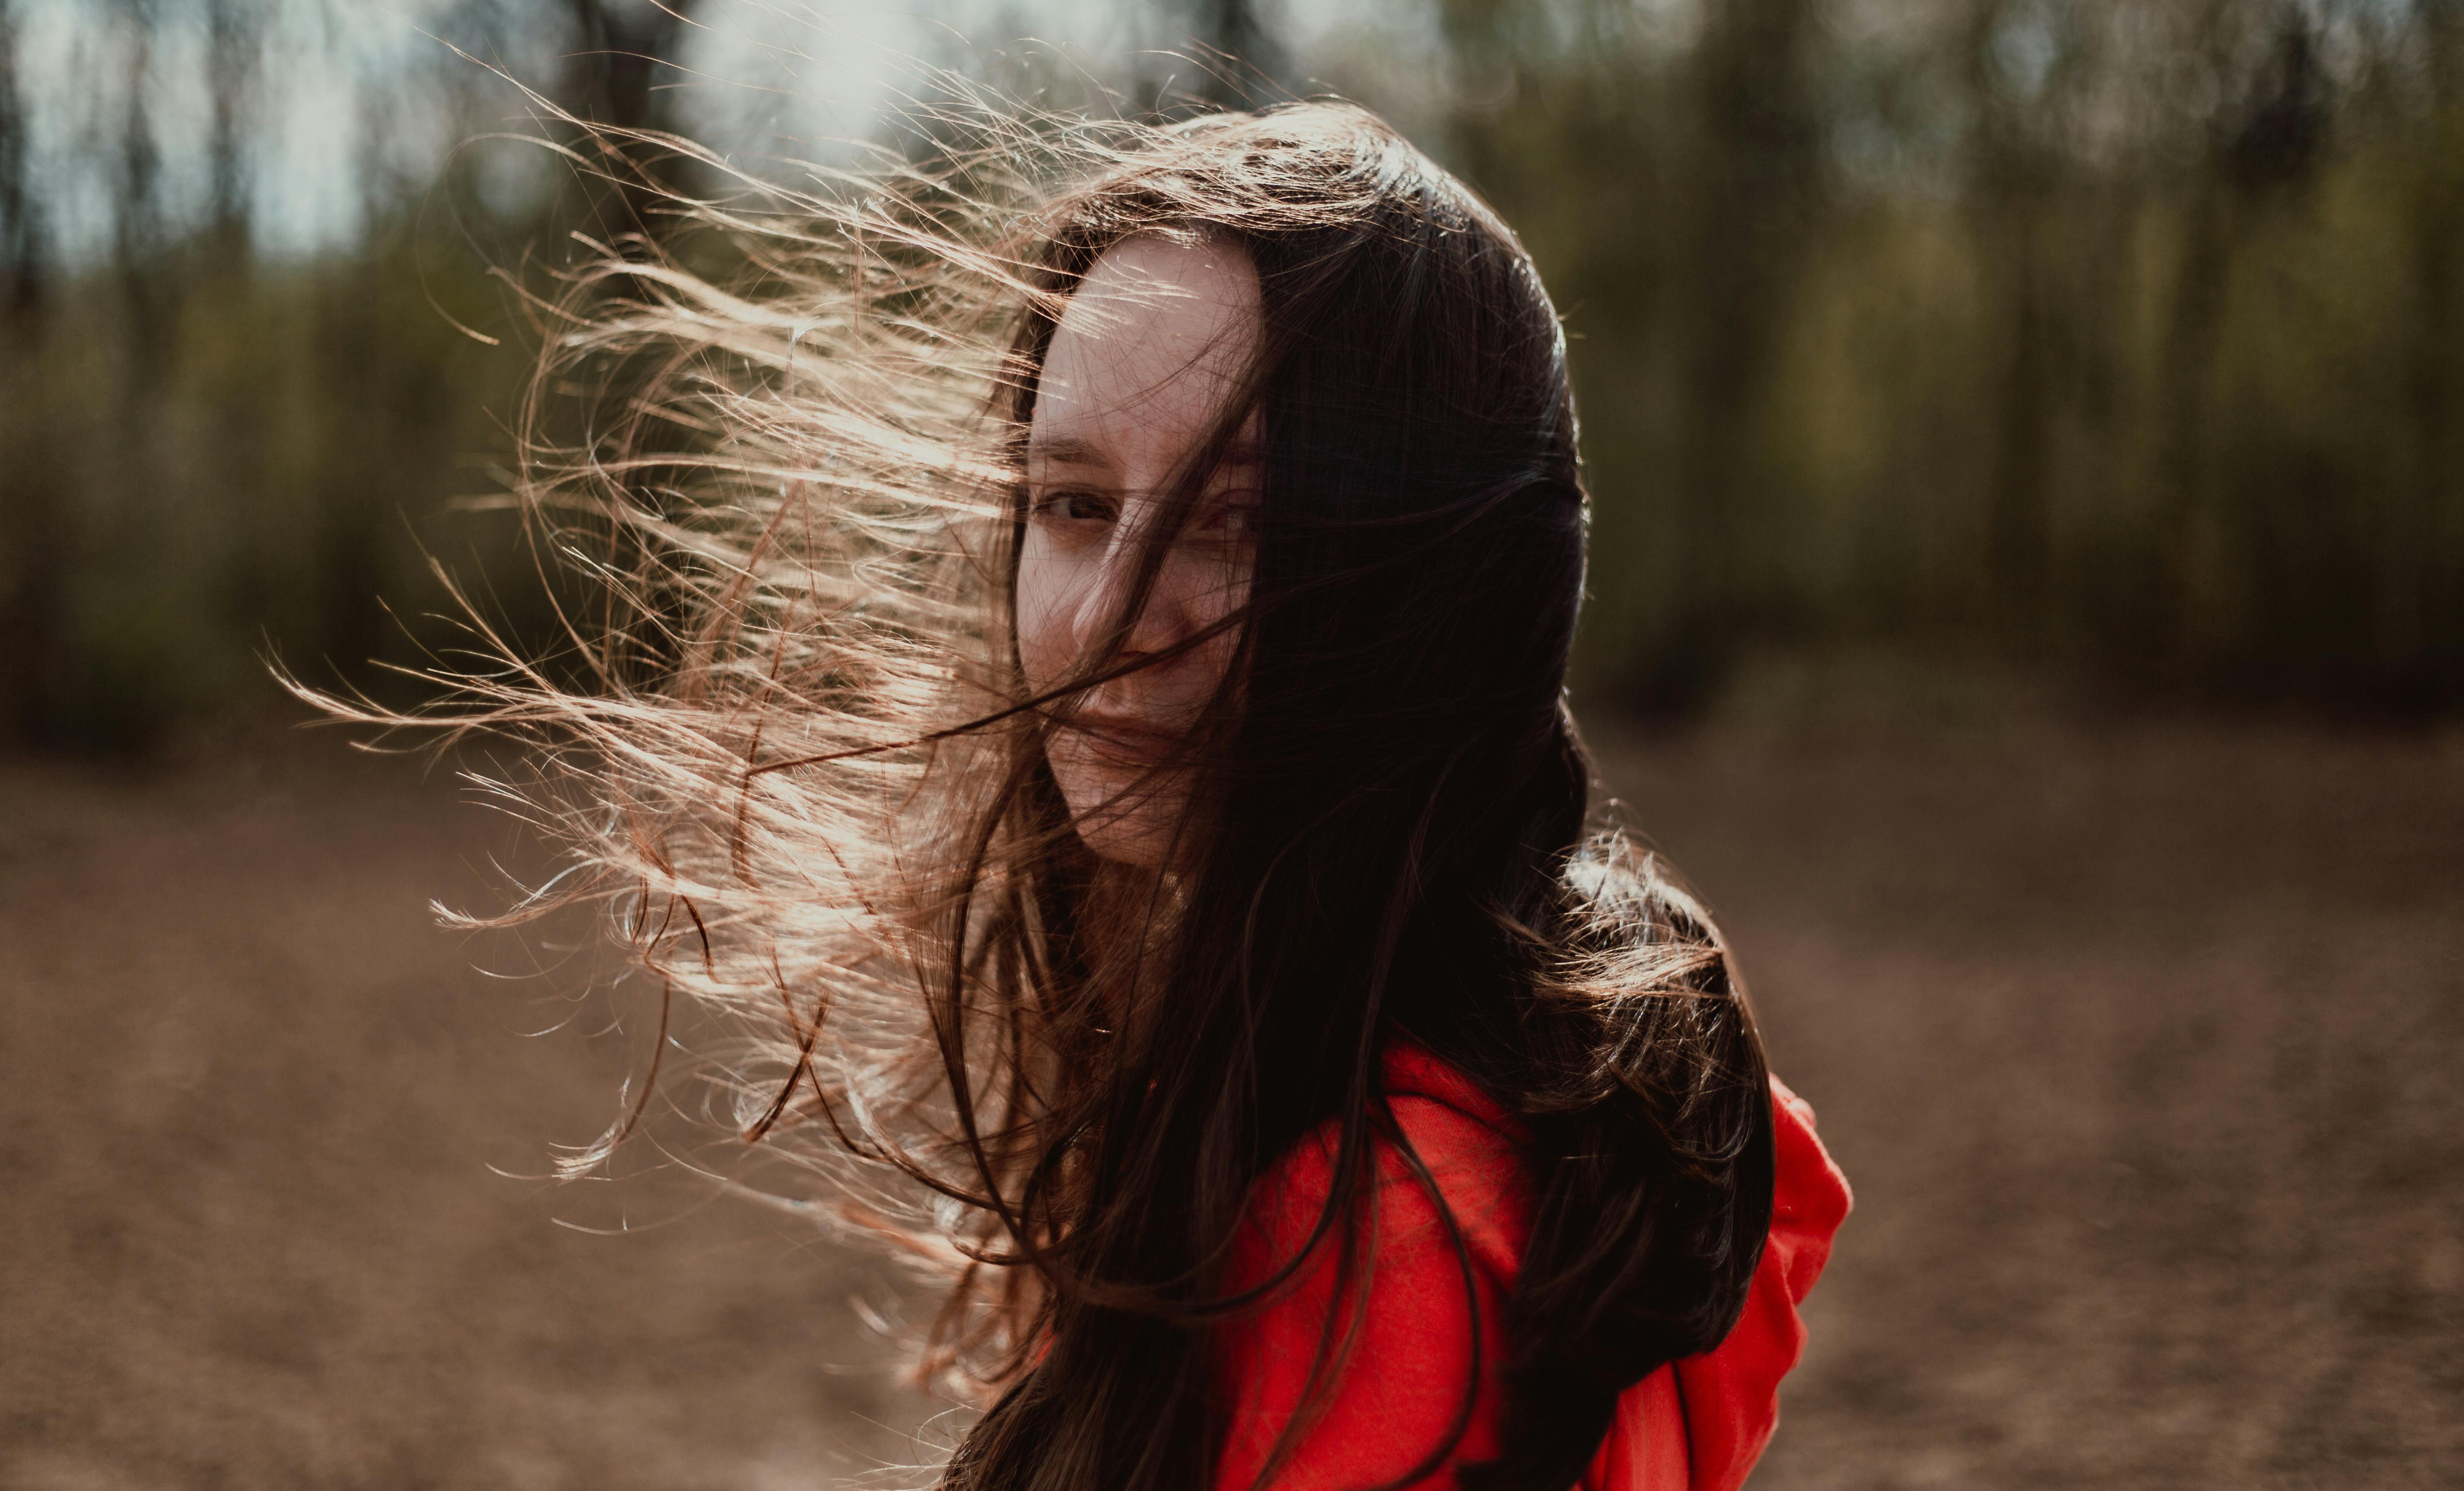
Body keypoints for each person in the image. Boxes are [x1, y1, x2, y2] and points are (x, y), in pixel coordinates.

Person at [381, 99, 1849, 1491]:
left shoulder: (1383, 1241)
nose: (1104, 617)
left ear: (1447, 593)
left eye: (1242, 523)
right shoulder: (1583, 1101)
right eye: (1072, 506)